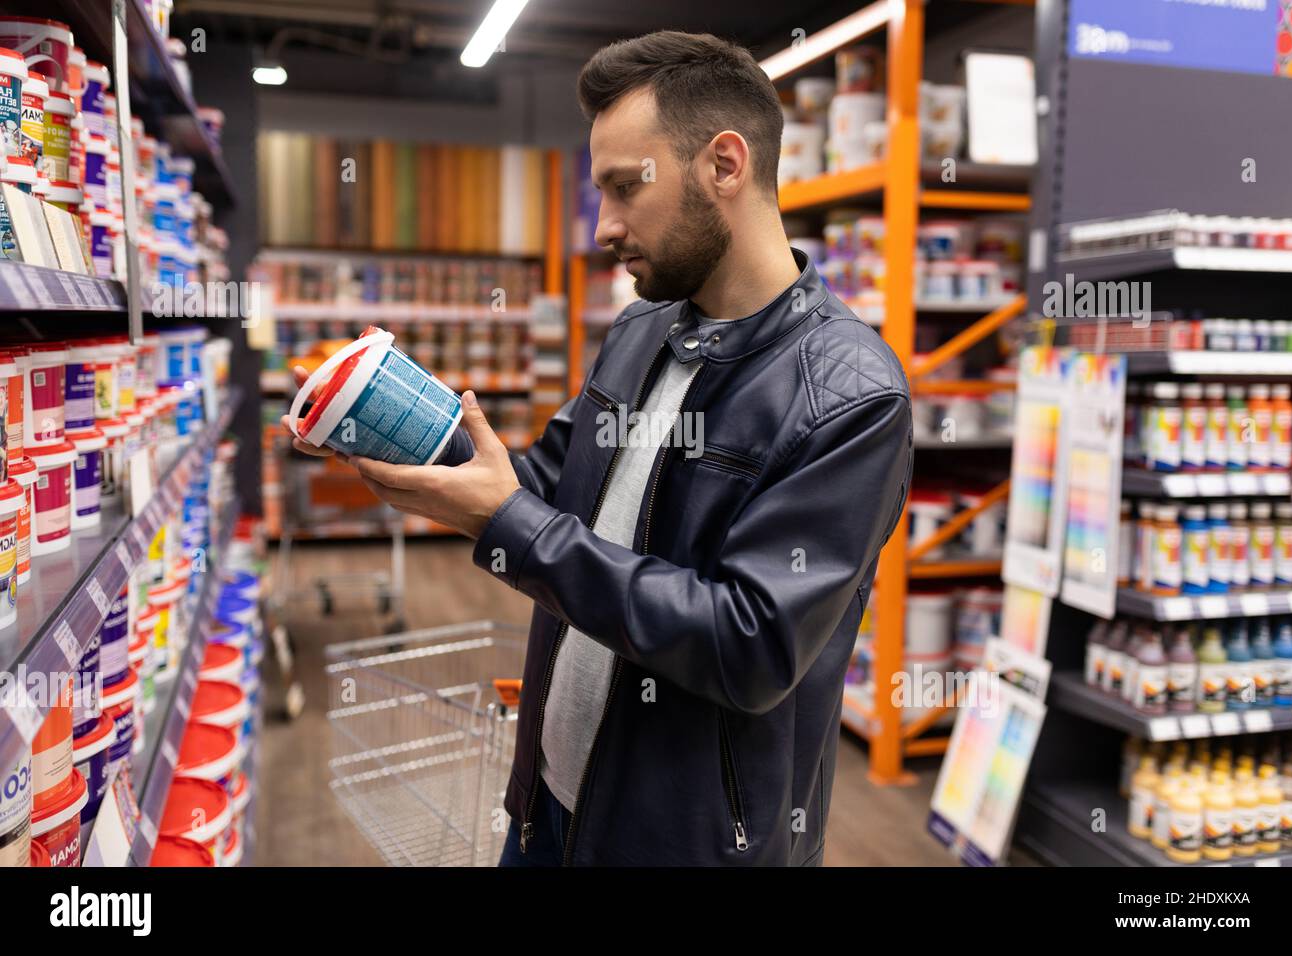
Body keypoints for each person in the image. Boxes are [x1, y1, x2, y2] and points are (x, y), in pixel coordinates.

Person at [282, 30, 912, 866]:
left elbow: (749, 645)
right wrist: (389, 419)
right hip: (550, 803)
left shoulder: (851, 398)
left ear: (725, 165)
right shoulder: (642, 330)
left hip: (683, 844)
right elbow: (550, 485)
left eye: (624, 188)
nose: (605, 225)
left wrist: (514, 526)